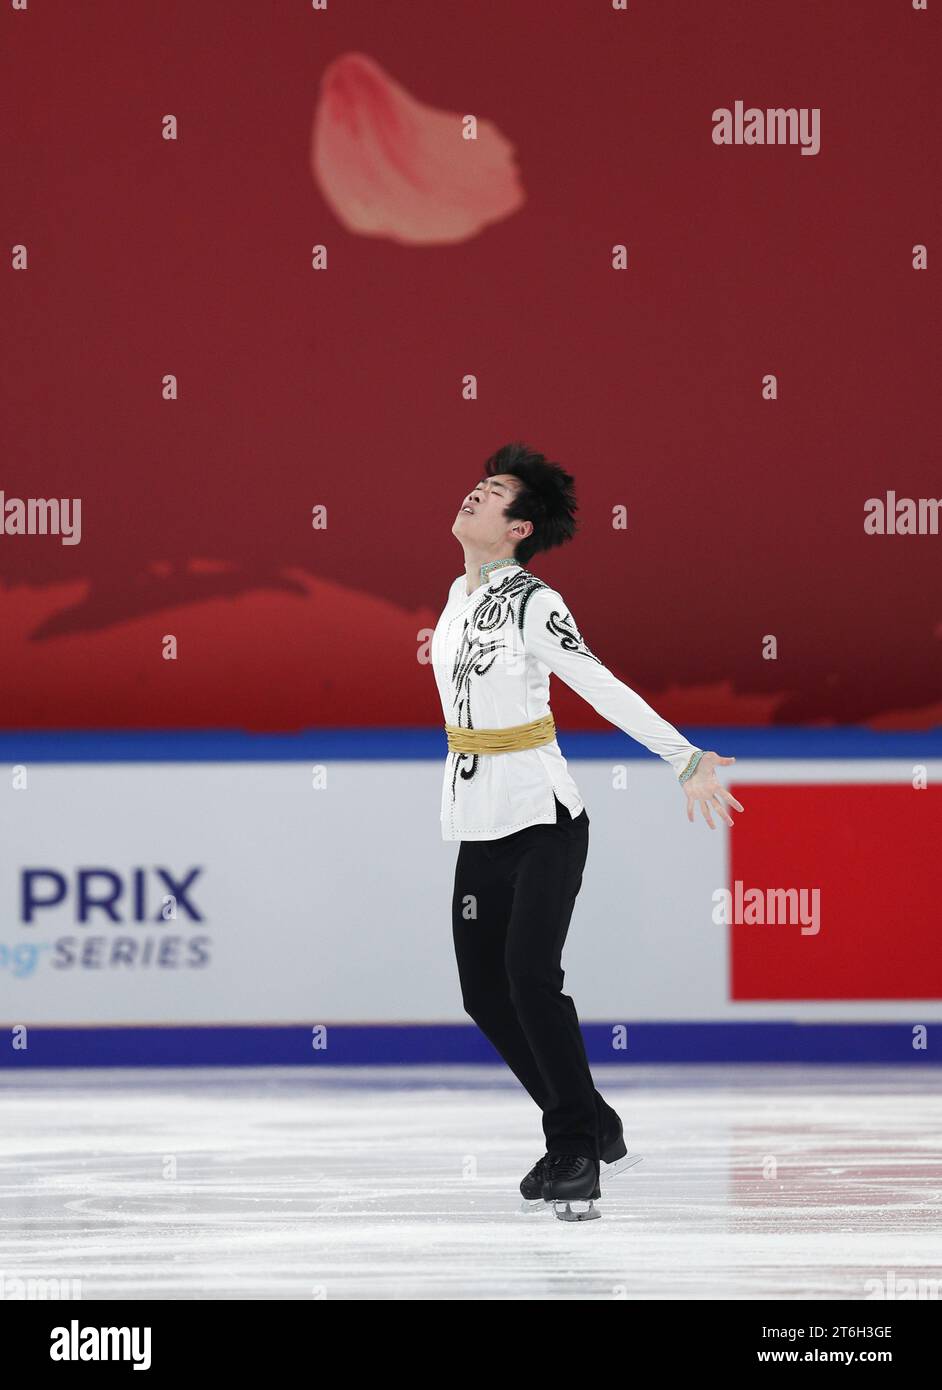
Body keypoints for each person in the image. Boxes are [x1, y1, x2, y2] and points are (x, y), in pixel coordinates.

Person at [430, 441, 744, 1220]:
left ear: (520, 528)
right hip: (478, 821)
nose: (475, 494)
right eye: (476, 484)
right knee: (485, 994)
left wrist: (684, 757)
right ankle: (593, 1123)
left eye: (493, 492)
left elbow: (596, 681)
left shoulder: (535, 601)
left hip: (545, 818)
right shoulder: (454, 599)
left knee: (531, 977)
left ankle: (573, 1148)